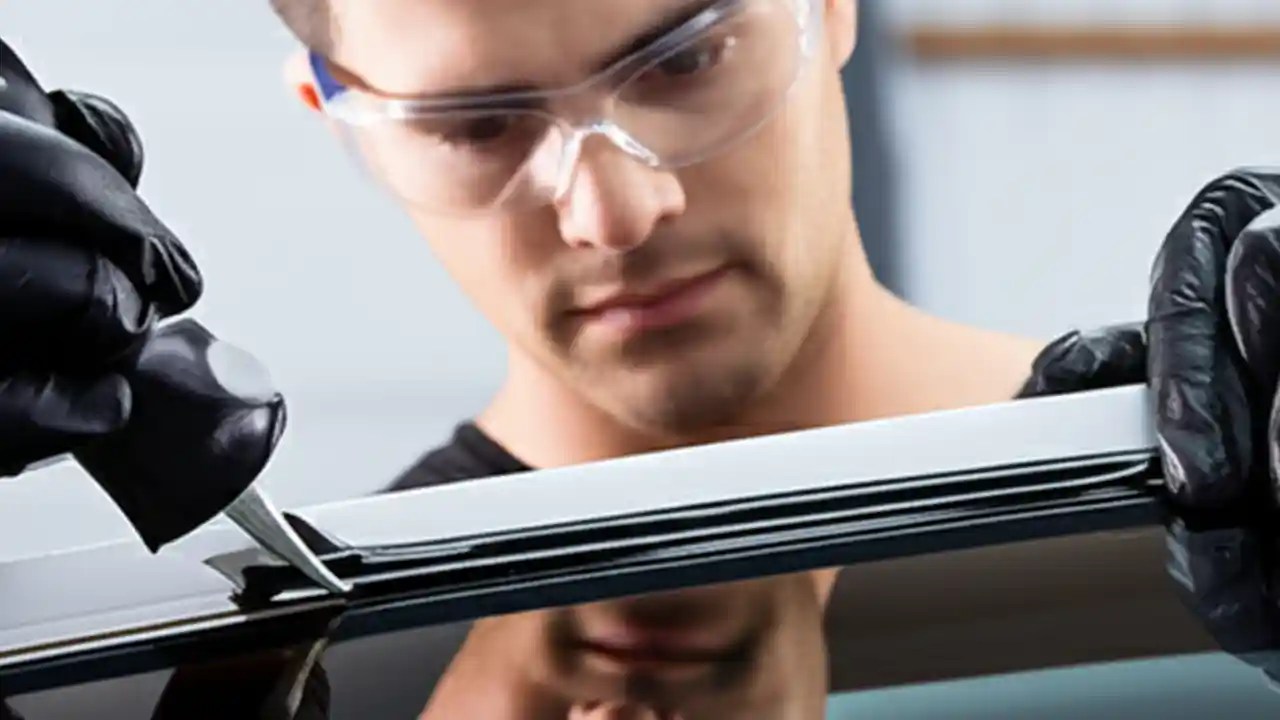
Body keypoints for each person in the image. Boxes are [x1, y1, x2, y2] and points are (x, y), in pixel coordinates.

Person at [2, 0, 1280, 716]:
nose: (616, 213)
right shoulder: (303, 685)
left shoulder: (1221, 519)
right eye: (475, 125)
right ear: (337, 121)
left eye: (687, 57)